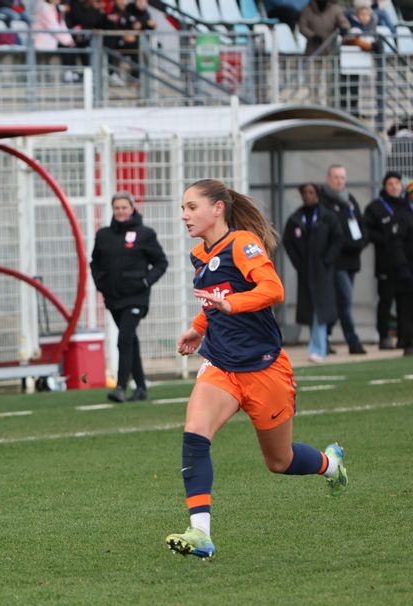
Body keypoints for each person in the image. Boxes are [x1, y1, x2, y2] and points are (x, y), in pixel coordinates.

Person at [167, 179, 348, 560]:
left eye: (191, 206)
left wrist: (235, 304)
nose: (184, 215)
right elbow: (213, 299)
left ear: (218, 209)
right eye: (183, 208)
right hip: (220, 365)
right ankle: (201, 533)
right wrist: (198, 328)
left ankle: (331, 465)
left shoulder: (242, 243)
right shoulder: (200, 253)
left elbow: (273, 289)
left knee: (279, 461)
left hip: (265, 370)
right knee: (194, 435)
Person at [89, 192, 168, 402]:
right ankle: (141, 387)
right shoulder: (103, 235)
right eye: (117, 208)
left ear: (132, 208)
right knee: (130, 340)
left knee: (124, 339)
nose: (120, 211)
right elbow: (94, 263)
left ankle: (121, 387)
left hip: (136, 298)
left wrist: (145, 281)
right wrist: (101, 285)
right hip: (113, 298)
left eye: (124, 207)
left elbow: (161, 263)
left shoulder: (145, 234)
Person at [281, 183, 342, 363]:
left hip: (323, 272)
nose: (308, 196)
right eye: (305, 193)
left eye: (311, 192)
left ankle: (318, 348)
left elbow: (337, 239)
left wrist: (327, 260)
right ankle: (319, 346)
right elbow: (288, 242)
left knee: (321, 310)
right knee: (311, 309)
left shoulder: (328, 217)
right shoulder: (296, 218)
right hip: (306, 272)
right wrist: (298, 263)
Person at [319, 164, 369, 355]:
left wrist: (361, 242)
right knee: (345, 301)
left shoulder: (350, 200)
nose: (339, 181)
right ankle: (353, 341)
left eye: (342, 177)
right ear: (328, 179)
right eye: (336, 177)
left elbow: (361, 225)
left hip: (352, 260)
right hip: (336, 261)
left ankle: (327, 337)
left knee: (341, 302)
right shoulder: (323, 201)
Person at [362, 170, 413, 351]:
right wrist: (385, 238)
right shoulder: (376, 207)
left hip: (405, 264)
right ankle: (384, 336)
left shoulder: (405, 206)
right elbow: (366, 231)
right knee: (385, 300)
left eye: (397, 184)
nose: (394, 187)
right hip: (385, 262)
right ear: (385, 186)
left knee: (405, 302)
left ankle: (403, 337)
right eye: (390, 184)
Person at [32, 0, 81, 83]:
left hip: (54, 38)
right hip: (42, 40)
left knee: (72, 45)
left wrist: (70, 40)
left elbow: (62, 25)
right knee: (66, 45)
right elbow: (53, 27)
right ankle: (68, 74)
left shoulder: (55, 8)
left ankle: (72, 72)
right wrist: (67, 41)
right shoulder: (43, 8)